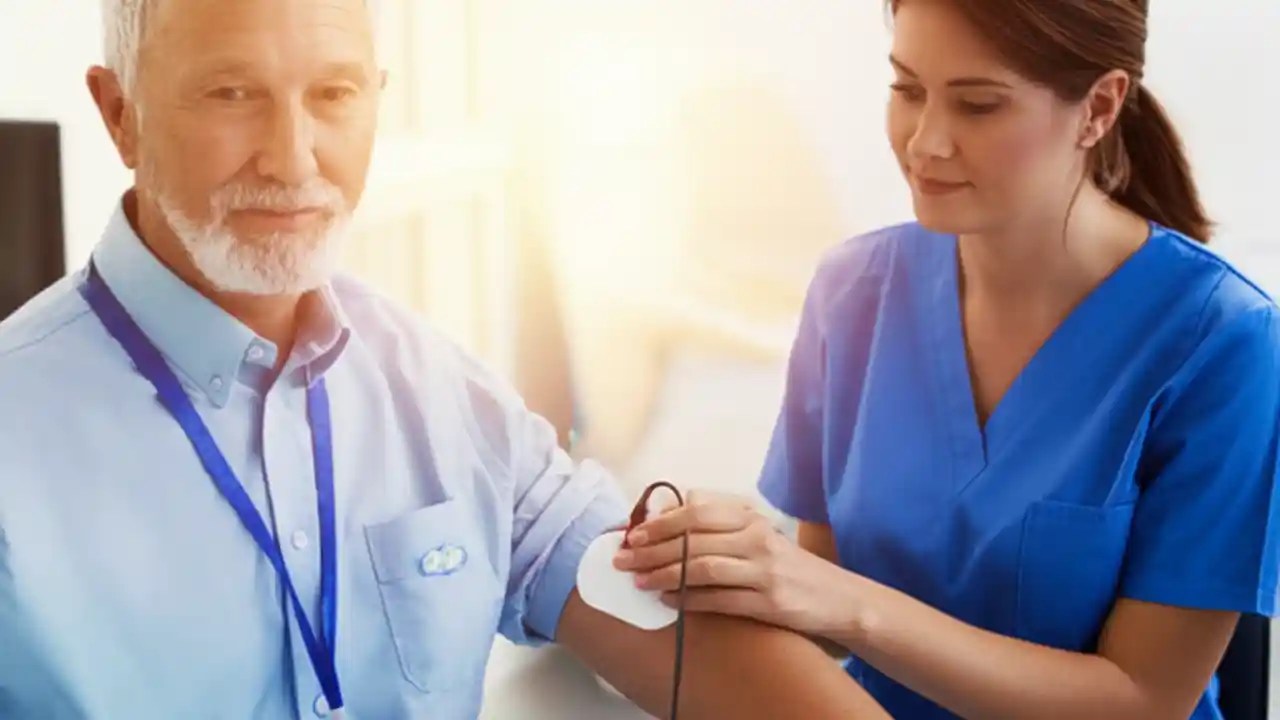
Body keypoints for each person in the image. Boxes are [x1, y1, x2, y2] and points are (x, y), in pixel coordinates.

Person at [0, 1, 892, 719]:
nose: (293, 156)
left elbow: (677, 638)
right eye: (232, 92)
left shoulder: (447, 397)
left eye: (335, 93)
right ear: (121, 115)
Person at [615, 1, 1280, 719]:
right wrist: (736, 566)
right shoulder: (851, 293)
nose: (924, 141)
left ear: (1098, 107)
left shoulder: (1223, 341)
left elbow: (1143, 700)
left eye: (979, 106)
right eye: (906, 90)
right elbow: (822, 620)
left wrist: (850, 606)